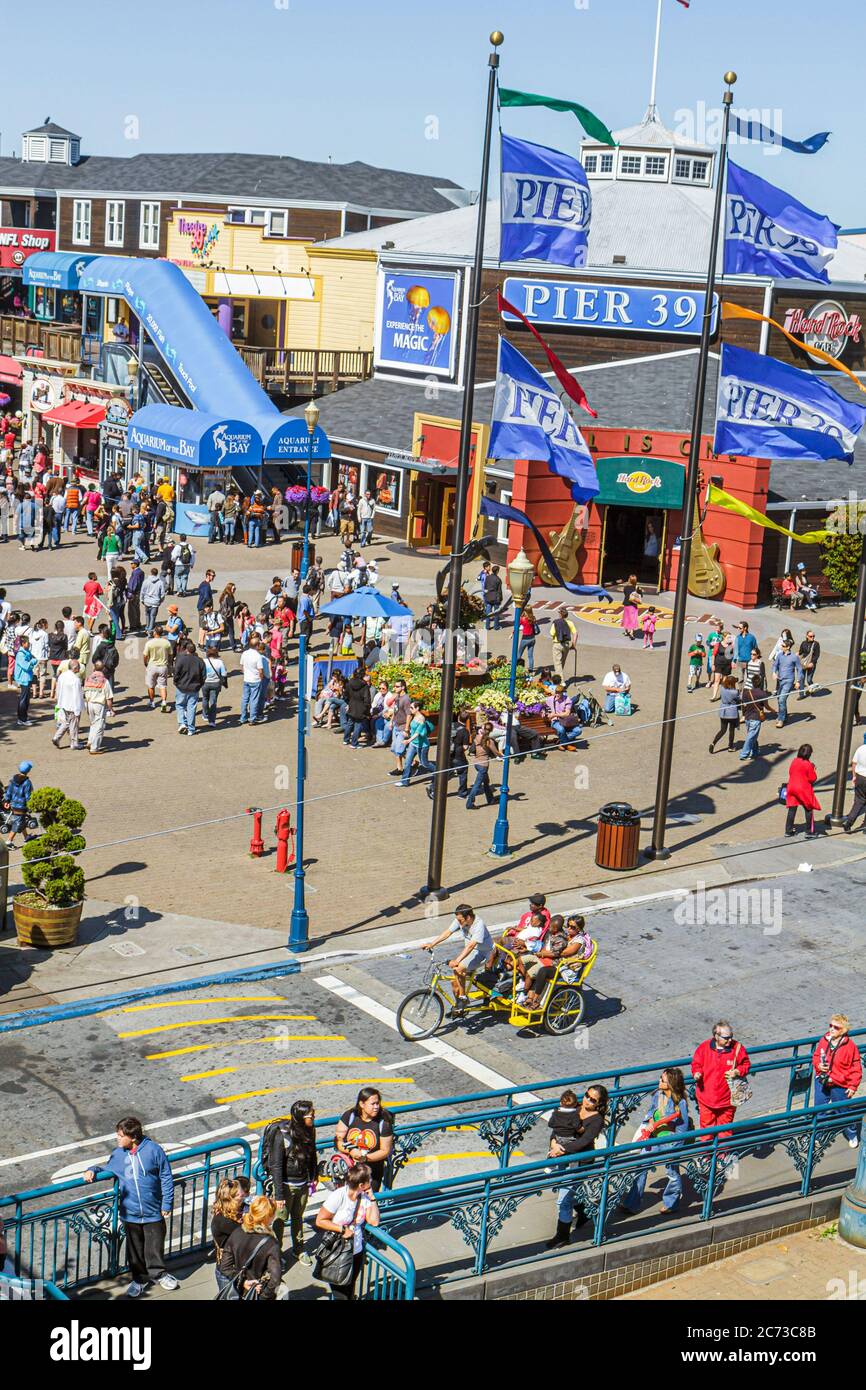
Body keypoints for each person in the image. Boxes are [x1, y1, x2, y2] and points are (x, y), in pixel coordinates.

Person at [84, 1117, 177, 1298]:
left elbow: (166, 1176)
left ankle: (158, 1274)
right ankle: (139, 1279)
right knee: (135, 1250)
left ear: (133, 1137)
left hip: (153, 1210)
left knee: (154, 1246)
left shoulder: (154, 1151)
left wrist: (166, 1203)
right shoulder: (118, 1154)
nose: (117, 1139)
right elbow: (106, 1168)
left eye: (120, 1136)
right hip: (131, 1213)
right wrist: (92, 1170)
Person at [546, 1084, 609, 1248]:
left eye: (592, 1099)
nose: (587, 1100)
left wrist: (562, 1149)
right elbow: (558, 1128)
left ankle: (562, 1236)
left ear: (599, 1103)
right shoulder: (575, 1107)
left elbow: (584, 1142)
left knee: (563, 1201)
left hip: (580, 1162)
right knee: (566, 1189)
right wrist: (554, 1144)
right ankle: (584, 1211)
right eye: (587, 1095)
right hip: (562, 1155)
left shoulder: (597, 1120)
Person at [620, 1068, 690, 1216]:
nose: (659, 1081)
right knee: (641, 1166)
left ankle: (672, 1203)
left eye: (662, 1080)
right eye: (660, 1078)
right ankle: (632, 1203)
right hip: (654, 1137)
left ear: (671, 1084)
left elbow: (681, 1130)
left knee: (672, 1171)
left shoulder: (680, 1103)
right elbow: (652, 1112)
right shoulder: (658, 1095)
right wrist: (651, 1122)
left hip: (670, 1141)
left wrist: (674, 1150)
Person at [315, 1163, 380, 1301]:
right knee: (341, 1295)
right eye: (369, 1179)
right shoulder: (338, 1195)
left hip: (355, 1251)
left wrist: (372, 1197)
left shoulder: (365, 1197)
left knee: (349, 1290)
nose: (372, 1181)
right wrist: (342, 1229)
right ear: (361, 1184)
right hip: (337, 1251)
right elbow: (320, 1220)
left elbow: (374, 1221)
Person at [421, 904, 495, 1016]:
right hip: (470, 952)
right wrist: (432, 943)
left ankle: (463, 998)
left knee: (458, 969)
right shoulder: (460, 919)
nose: (458, 922)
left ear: (468, 918)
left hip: (483, 953)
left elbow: (471, 946)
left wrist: (457, 960)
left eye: (460, 920)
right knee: (454, 984)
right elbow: (448, 932)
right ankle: (459, 1007)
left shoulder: (478, 925)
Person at [269, 1100, 318, 1263]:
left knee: (298, 1216)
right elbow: (276, 1165)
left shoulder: (310, 1130)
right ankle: (276, 1253)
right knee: (280, 1220)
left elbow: (313, 1153)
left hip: (303, 1183)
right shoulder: (282, 1134)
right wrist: (279, 1195)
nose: (313, 1117)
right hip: (286, 1185)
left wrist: (314, 1176)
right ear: (300, 1117)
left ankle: (298, 1249)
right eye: (310, 1115)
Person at [691, 1022, 751, 1136]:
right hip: (706, 1099)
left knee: (725, 1129)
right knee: (706, 1129)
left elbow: (746, 1064)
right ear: (716, 1036)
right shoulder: (704, 1047)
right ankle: (707, 1152)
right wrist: (697, 1072)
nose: (729, 1040)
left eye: (731, 1037)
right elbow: (696, 1063)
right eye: (726, 1038)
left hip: (727, 1100)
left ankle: (723, 1153)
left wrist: (738, 1071)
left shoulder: (737, 1048)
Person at [812, 1014, 862, 1148]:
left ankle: (851, 1132)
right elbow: (816, 1057)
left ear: (843, 1030)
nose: (832, 1029)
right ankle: (818, 1135)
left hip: (839, 1082)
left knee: (843, 1109)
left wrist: (852, 1086)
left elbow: (856, 1068)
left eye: (836, 1027)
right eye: (830, 1025)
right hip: (822, 1080)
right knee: (819, 1109)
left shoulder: (850, 1047)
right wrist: (818, 1065)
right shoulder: (824, 1040)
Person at [220, 1195, 281, 1300]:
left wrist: (243, 1282)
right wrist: (263, 1296)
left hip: (240, 1290)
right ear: (268, 1217)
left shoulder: (236, 1233)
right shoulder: (271, 1243)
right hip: (260, 1289)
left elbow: (225, 1267)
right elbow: (275, 1279)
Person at [334, 1088, 394, 1192]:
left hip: (371, 1174)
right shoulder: (350, 1116)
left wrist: (364, 1158)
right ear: (362, 1104)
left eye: (378, 1103)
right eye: (373, 1104)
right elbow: (338, 1140)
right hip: (349, 1171)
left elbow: (385, 1151)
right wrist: (351, 1151)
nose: (376, 1107)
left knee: (366, 1203)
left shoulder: (383, 1122)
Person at [210, 1179, 244, 1294]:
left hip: (235, 1266)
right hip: (229, 1270)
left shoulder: (227, 1212)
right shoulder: (224, 1221)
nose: (243, 1195)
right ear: (230, 1199)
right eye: (239, 1194)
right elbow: (248, 1234)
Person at [784, 743, 820, 838]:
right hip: (803, 789)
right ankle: (809, 832)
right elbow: (812, 778)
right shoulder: (808, 764)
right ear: (809, 754)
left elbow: (790, 772)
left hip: (791, 787)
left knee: (792, 809)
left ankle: (788, 830)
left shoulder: (794, 761)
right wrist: (813, 769)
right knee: (809, 809)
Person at [400, 701, 436, 794]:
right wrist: (407, 732)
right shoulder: (414, 716)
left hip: (422, 746)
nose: (410, 709)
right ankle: (405, 781)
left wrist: (408, 740)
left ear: (417, 708)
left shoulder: (421, 719)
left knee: (425, 763)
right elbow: (413, 729)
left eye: (412, 708)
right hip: (413, 744)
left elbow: (417, 733)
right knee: (407, 762)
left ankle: (439, 772)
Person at [173, 638, 206, 736]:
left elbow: (176, 673)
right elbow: (204, 676)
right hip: (194, 688)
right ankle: (191, 729)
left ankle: (182, 723)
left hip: (181, 687)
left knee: (180, 705)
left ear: (187, 650)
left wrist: (176, 683)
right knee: (191, 708)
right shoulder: (200, 661)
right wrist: (199, 685)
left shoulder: (181, 660)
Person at [739, 675, 774, 761]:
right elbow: (766, 706)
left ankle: (754, 752)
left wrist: (743, 715)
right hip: (755, 717)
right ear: (760, 683)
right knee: (751, 736)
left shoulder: (746, 692)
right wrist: (773, 710)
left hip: (747, 716)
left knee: (752, 736)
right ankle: (744, 754)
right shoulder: (762, 694)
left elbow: (743, 705)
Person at [465, 721, 499, 809]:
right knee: (477, 785)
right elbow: (496, 753)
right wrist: (505, 756)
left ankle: (490, 799)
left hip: (476, 763)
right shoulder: (489, 741)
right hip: (483, 765)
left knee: (486, 783)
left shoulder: (477, 736)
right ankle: (469, 803)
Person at [83, 661, 114, 755]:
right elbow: (109, 697)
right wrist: (111, 709)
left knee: (93, 723)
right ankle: (94, 748)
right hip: (98, 705)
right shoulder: (104, 681)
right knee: (99, 726)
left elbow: (84, 691)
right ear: (103, 669)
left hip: (88, 703)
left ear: (94, 668)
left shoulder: (88, 679)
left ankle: (90, 741)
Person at [52, 660, 84, 749]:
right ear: (75, 668)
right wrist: (77, 709)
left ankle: (57, 737)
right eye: (78, 667)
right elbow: (77, 695)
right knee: (73, 724)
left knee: (67, 722)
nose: (80, 668)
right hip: (72, 705)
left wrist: (59, 702)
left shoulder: (62, 676)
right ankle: (74, 743)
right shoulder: (76, 680)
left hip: (63, 703)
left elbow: (58, 689)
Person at [772, 640, 804, 727]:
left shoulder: (794, 657)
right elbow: (775, 665)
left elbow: (799, 669)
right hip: (780, 680)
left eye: (783, 646)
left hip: (789, 681)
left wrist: (798, 682)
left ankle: (781, 719)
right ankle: (784, 716)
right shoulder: (779, 655)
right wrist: (774, 672)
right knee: (780, 699)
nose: (781, 647)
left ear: (788, 647)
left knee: (782, 699)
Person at [4, 761, 34, 849]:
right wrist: (31, 805)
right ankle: (9, 841)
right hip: (21, 807)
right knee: (17, 823)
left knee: (21, 821)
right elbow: (28, 796)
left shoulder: (13, 780)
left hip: (14, 805)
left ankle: (26, 837)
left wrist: (6, 800)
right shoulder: (27, 782)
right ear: (28, 771)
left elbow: (9, 791)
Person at [143, 625, 172, 712]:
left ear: (155, 632)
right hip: (163, 666)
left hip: (152, 666)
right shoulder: (166, 643)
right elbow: (171, 654)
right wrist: (169, 663)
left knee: (151, 686)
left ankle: (152, 702)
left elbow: (145, 655)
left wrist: (145, 663)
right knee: (162, 686)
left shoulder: (149, 643)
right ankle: (163, 702)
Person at [708, 675, 740, 754]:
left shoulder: (722, 689)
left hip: (723, 711)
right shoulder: (735, 692)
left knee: (722, 730)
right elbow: (739, 700)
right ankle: (730, 746)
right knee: (731, 730)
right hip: (732, 713)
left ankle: (713, 743)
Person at [239, 634, 267, 725]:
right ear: (257, 646)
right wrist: (261, 678)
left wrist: (246, 673)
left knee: (245, 698)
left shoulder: (244, 653)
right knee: (254, 699)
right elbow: (260, 670)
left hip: (246, 679)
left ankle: (243, 717)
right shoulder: (258, 656)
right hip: (255, 680)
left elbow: (242, 667)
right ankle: (252, 718)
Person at [344, 662, 372, 748]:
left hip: (352, 705)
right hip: (361, 708)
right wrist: (367, 710)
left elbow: (345, 695)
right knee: (357, 725)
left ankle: (346, 739)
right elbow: (367, 700)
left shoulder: (349, 683)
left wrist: (349, 703)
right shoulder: (365, 686)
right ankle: (354, 743)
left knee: (350, 723)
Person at [387, 679, 412, 776]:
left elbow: (409, 715)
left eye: (397, 686)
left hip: (402, 727)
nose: (395, 688)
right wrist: (391, 721)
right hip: (396, 726)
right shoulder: (397, 697)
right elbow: (395, 710)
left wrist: (406, 729)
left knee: (398, 749)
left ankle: (400, 768)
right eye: (394, 686)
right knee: (394, 748)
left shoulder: (406, 699)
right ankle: (413, 762)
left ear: (403, 687)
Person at [843, 733, 866, 832]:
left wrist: (854, 776)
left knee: (858, 801)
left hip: (860, 777)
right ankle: (865, 826)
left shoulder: (861, 748)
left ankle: (849, 822)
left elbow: (854, 763)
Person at [201, 645, 227, 728]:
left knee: (205, 698)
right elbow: (224, 674)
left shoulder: (203, 661)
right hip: (216, 683)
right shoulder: (220, 662)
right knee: (213, 701)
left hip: (205, 683)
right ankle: (212, 721)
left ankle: (205, 715)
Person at [13, 635, 36, 726]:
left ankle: (23, 716)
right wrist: (33, 661)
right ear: (23, 643)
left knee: (26, 699)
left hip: (27, 678)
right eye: (27, 642)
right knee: (24, 699)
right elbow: (26, 666)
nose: (29, 643)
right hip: (24, 678)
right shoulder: (21, 654)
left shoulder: (26, 652)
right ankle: (22, 719)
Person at [549, 607, 577, 678]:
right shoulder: (570, 623)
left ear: (560, 614)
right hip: (566, 645)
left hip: (557, 644)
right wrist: (573, 644)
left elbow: (551, 633)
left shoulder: (556, 622)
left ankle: (560, 682)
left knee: (557, 664)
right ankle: (557, 679)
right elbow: (575, 633)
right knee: (561, 663)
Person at [141, 567, 166, 637]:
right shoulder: (160, 582)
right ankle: (150, 630)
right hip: (155, 602)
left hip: (147, 601)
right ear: (157, 573)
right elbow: (162, 594)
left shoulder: (146, 581)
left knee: (147, 615)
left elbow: (142, 591)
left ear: (151, 573)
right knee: (153, 617)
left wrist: (142, 599)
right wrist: (160, 601)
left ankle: (147, 628)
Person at [709, 630, 733, 700]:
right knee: (717, 680)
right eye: (728, 637)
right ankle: (714, 696)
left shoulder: (730, 645)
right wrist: (713, 664)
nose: (729, 639)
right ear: (724, 637)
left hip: (727, 665)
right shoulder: (718, 644)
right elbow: (713, 655)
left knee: (724, 681)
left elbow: (732, 654)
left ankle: (722, 695)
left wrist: (733, 662)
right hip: (718, 664)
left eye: (730, 637)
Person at [798, 631, 820, 697]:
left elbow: (817, 655)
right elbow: (801, 652)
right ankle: (801, 695)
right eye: (811, 636)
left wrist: (812, 662)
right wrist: (798, 654)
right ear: (807, 636)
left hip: (811, 664)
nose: (812, 637)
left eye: (813, 636)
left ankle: (812, 690)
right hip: (804, 663)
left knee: (809, 680)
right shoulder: (803, 643)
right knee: (801, 679)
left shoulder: (816, 644)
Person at [517, 605, 539, 672]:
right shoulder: (533, 618)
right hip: (532, 638)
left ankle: (517, 668)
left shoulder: (522, 619)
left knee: (519, 654)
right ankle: (531, 670)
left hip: (525, 639)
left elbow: (516, 626)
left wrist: (512, 633)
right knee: (530, 656)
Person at [621, 575, 642, 641]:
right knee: (632, 618)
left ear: (629, 580)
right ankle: (631, 633)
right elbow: (641, 596)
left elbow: (625, 594)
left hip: (626, 604)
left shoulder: (625, 587)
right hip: (633, 605)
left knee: (626, 617)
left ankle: (626, 631)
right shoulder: (637, 588)